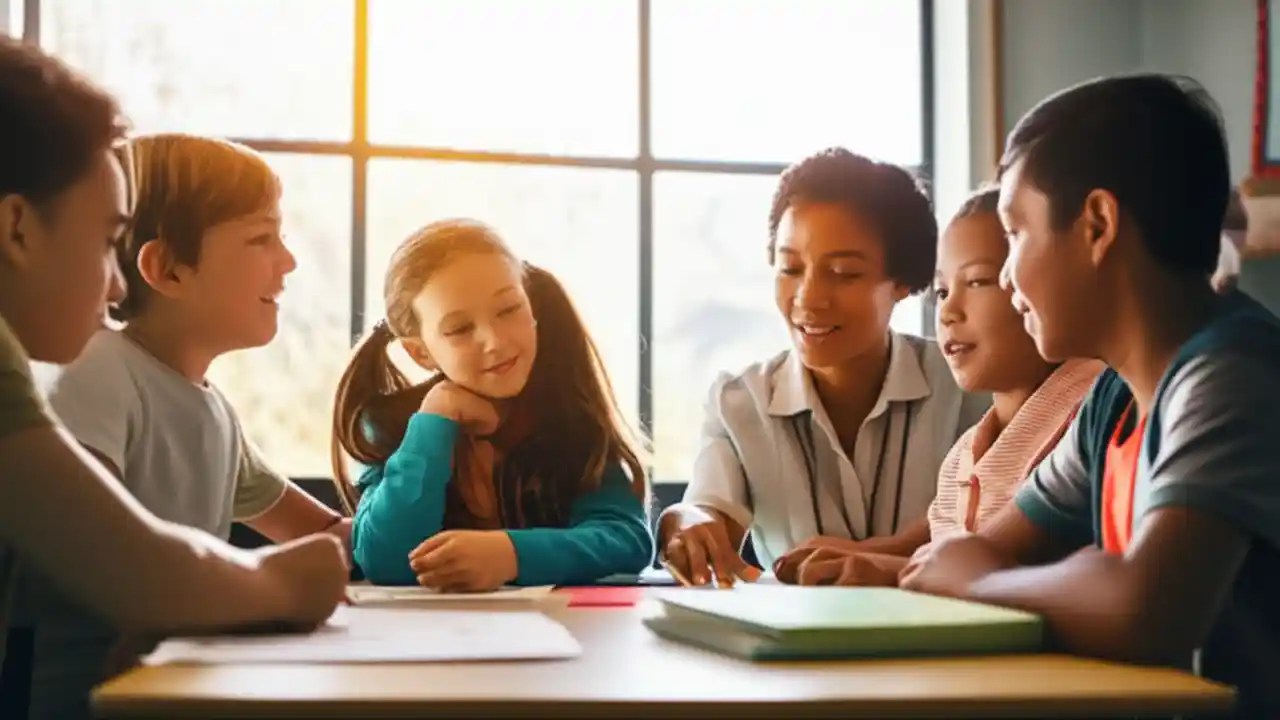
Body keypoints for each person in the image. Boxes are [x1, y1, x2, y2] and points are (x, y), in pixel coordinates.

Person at [900, 74, 1280, 718]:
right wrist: (978, 573)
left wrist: (984, 585)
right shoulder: (1112, 400)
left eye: (1015, 235)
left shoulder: (1232, 372)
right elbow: (987, 547)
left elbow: (1144, 610)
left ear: (1098, 224)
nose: (1010, 272)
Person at [0, 37, 345, 717]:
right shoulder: (98, 373)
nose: (116, 278)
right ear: (16, 228)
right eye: (106, 240)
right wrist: (282, 582)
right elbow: (131, 565)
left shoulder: (209, 408)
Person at [659, 147, 989, 586]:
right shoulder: (739, 402)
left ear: (904, 280)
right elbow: (707, 512)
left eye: (843, 272)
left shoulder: (966, 387)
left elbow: (993, 529)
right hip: (796, 646)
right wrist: (686, 522)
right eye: (790, 268)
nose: (808, 299)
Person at [777, 185, 1100, 586]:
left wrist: (887, 570)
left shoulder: (1094, 411)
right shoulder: (961, 461)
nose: (947, 311)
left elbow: (1044, 578)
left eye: (979, 281)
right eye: (942, 290)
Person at [333, 219, 652, 589]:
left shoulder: (568, 419)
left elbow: (627, 539)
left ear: (531, 305)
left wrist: (511, 554)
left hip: (559, 634)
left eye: (508, 309)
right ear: (419, 352)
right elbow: (384, 559)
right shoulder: (391, 426)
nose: (495, 341)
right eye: (459, 330)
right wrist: (435, 420)